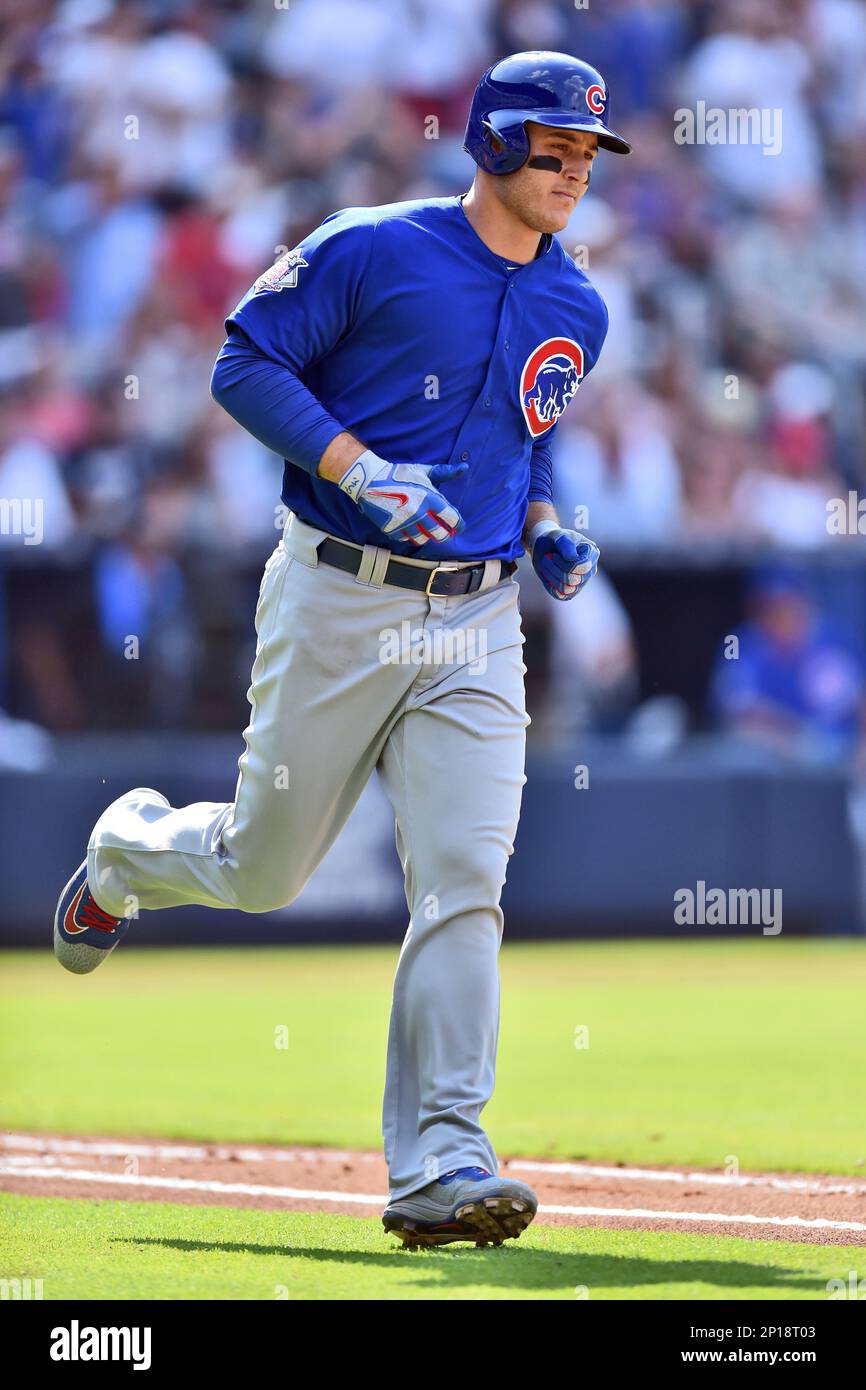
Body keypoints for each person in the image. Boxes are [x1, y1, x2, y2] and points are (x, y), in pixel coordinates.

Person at [53, 51, 630, 1248]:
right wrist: (355, 468)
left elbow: (529, 430)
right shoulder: (374, 243)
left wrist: (545, 525)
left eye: (585, 151)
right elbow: (242, 361)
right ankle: (123, 852)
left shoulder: (578, 303)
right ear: (489, 144)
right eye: (552, 145)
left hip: (476, 619)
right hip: (338, 596)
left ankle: (442, 1157)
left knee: (464, 885)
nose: (571, 169)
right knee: (264, 873)